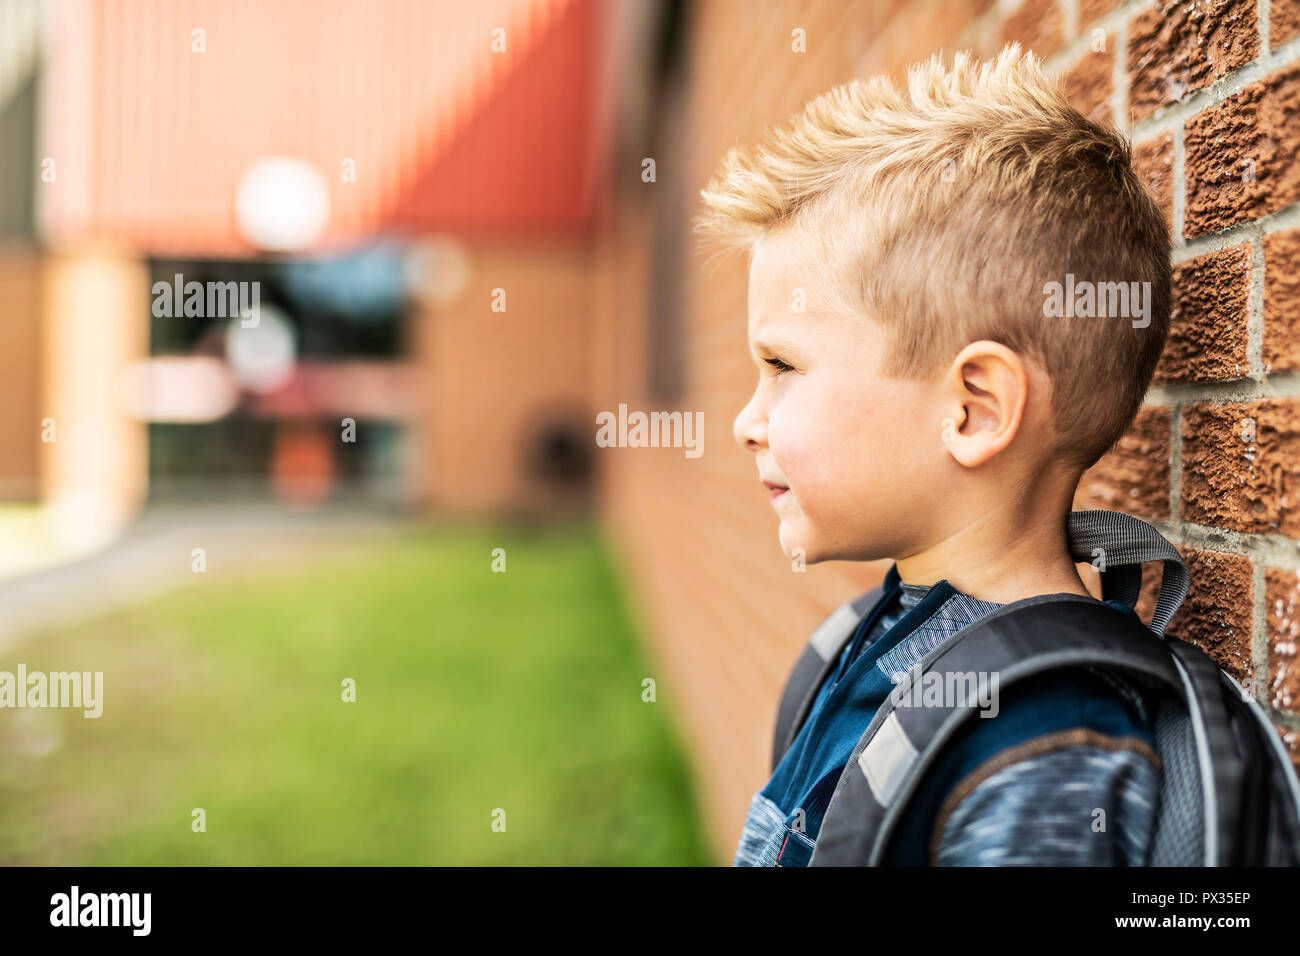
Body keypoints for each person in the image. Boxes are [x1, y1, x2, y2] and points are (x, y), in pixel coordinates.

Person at [694, 43, 1172, 865]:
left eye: (781, 367)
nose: (746, 422)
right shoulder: (896, 631)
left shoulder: (1043, 743)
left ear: (973, 408)